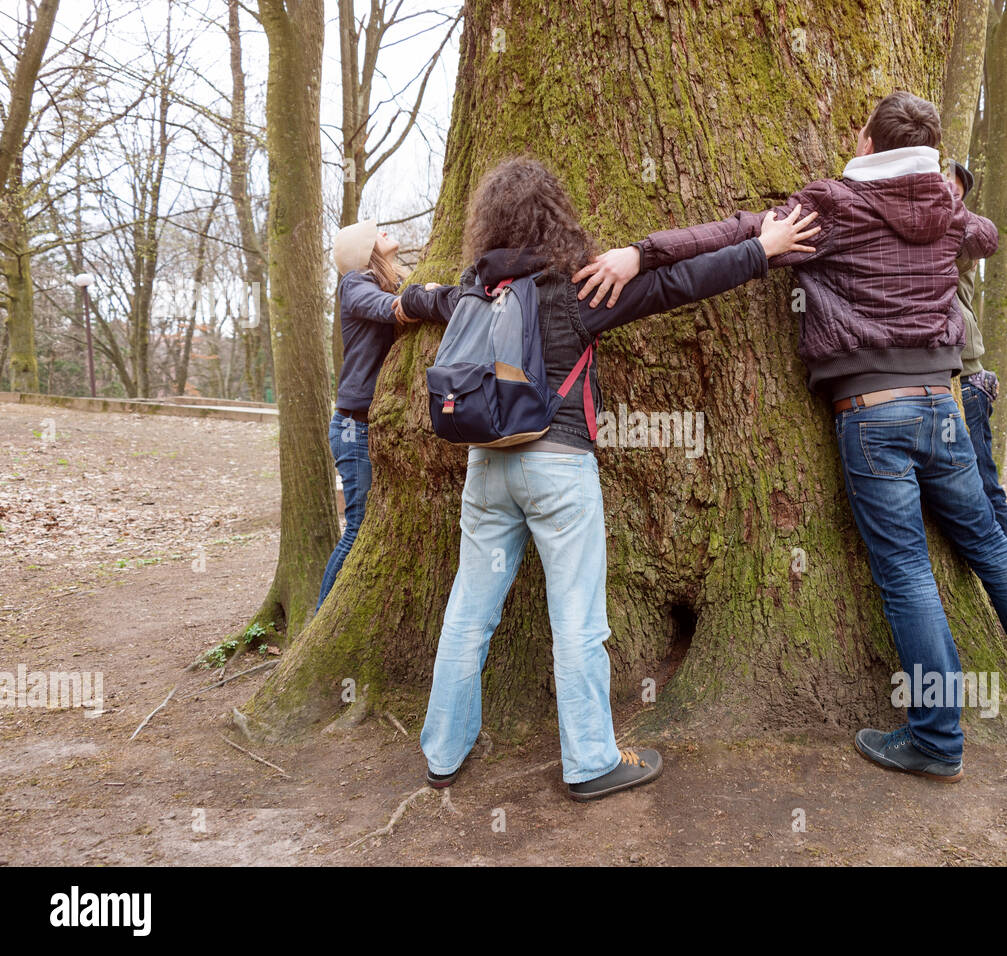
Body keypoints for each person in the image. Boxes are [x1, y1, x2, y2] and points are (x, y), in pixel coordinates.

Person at [575, 92, 1007, 783]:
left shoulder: (835, 204)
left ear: (868, 142)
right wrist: (951, 200)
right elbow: (984, 236)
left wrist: (640, 252)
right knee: (989, 543)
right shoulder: (946, 212)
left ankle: (938, 738)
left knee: (907, 571)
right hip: (942, 404)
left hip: (873, 410)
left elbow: (735, 230)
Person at [398, 157, 819, 801]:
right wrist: (762, 249)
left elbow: (428, 300)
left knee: (467, 613)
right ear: (554, 218)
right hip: (558, 466)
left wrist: (397, 301)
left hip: (484, 467)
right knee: (577, 620)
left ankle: (444, 754)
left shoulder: (472, 291)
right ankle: (590, 761)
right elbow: (681, 284)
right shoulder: (575, 289)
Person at [318, 221, 409, 609]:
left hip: (374, 425)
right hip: (354, 428)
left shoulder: (388, 281)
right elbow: (385, 309)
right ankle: (322, 620)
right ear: (365, 248)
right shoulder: (355, 283)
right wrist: (420, 302)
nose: (385, 231)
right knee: (357, 529)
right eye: (377, 231)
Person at [946, 160, 1007, 548]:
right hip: (937, 377)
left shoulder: (964, 238)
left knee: (983, 480)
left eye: (954, 194)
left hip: (967, 377)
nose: (945, 199)